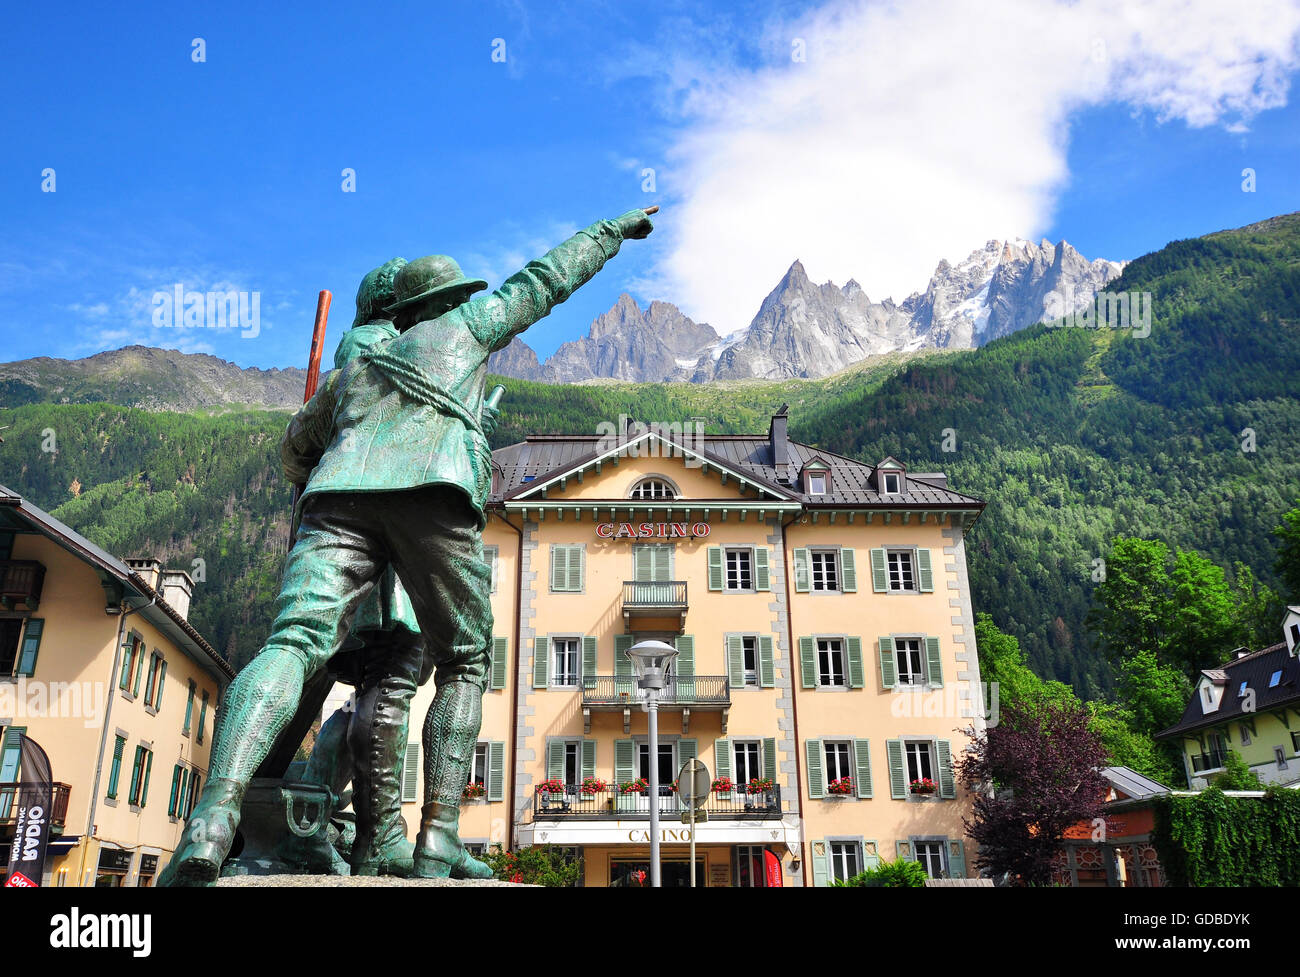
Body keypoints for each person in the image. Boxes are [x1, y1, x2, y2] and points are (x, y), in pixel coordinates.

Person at [159, 207, 655, 885]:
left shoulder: (354, 370)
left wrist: (327, 475)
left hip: (337, 497)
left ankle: (213, 818)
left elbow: (295, 449)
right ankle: (438, 840)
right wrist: (610, 231)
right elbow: (546, 279)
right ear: (449, 302)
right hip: (432, 492)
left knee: (292, 645)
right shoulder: (470, 326)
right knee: (466, 660)